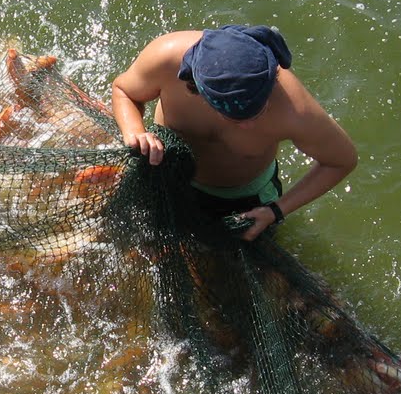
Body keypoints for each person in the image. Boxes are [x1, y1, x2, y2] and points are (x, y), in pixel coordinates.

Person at [111, 25, 357, 240]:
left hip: (244, 203)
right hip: (164, 173)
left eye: (258, 112)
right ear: (195, 89)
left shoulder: (294, 110)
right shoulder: (166, 58)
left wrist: (275, 211)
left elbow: (341, 161)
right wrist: (136, 133)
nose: (249, 126)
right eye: (236, 118)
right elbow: (124, 90)